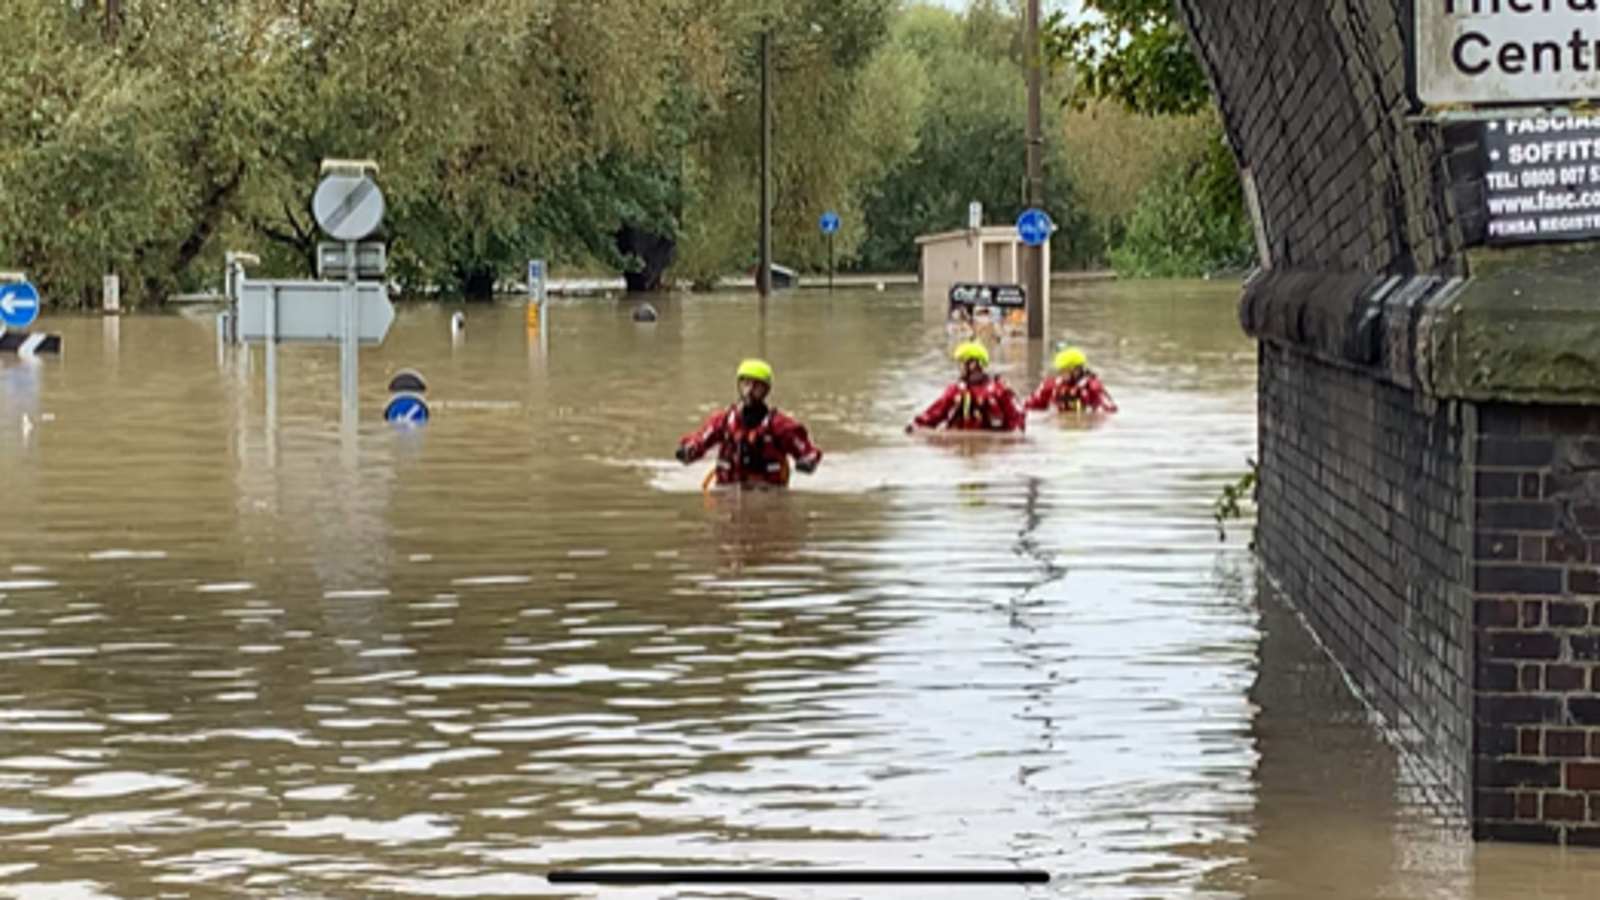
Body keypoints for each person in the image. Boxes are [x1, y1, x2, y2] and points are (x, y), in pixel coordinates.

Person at [675, 359, 823, 488]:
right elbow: (702, 440)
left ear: (766, 390)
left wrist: (808, 462)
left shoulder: (780, 426)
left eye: (756, 386)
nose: (750, 391)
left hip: (769, 494)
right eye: (746, 384)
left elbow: (807, 451)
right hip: (729, 492)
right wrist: (689, 449)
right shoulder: (724, 421)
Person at [905, 341, 1027, 433]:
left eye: (962, 363)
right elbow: (934, 415)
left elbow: (1017, 422)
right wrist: (914, 426)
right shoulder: (955, 391)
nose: (960, 368)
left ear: (973, 364)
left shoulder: (1000, 391)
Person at [1025, 346, 1118, 414]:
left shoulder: (1092, 387)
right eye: (1060, 370)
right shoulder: (1050, 385)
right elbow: (1029, 405)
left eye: (1065, 370)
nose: (1060, 374)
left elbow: (1109, 410)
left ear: (1077, 370)